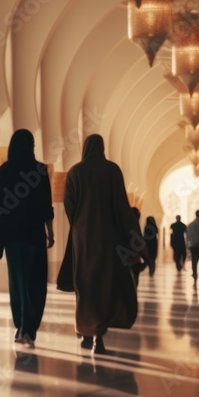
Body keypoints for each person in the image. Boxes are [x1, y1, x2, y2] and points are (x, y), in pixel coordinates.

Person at [56, 135, 138, 355]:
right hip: (108, 238)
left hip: (82, 238)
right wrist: (133, 239)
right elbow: (122, 207)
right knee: (103, 285)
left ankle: (85, 331)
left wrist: (81, 224)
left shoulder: (75, 172)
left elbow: (69, 207)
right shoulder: (112, 171)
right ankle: (98, 337)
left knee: (84, 285)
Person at [0, 129, 54, 348]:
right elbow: (46, 206)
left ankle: (21, 326)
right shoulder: (40, 171)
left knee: (17, 283)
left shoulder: (4, 171)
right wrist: (50, 232)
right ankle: (29, 328)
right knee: (35, 282)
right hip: (34, 236)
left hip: (13, 238)